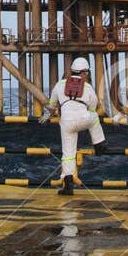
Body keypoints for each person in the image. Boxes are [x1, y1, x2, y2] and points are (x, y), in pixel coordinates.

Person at [41, 57, 105, 195]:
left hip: (66, 122)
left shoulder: (59, 85)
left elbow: (51, 106)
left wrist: (50, 115)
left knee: (68, 154)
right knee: (94, 119)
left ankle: (68, 186)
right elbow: (93, 107)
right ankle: (99, 144)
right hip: (83, 119)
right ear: (84, 73)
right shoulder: (87, 86)